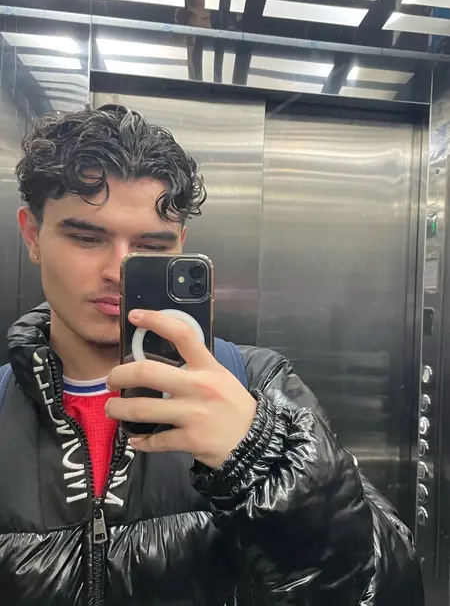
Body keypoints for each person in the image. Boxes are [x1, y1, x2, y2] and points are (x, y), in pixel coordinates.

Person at [0, 104, 423, 606]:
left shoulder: (258, 384)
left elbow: (388, 585)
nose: (118, 270)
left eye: (151, 245)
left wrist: (262, 457)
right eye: (87, 238)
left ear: (180, 245)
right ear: (32, 235)